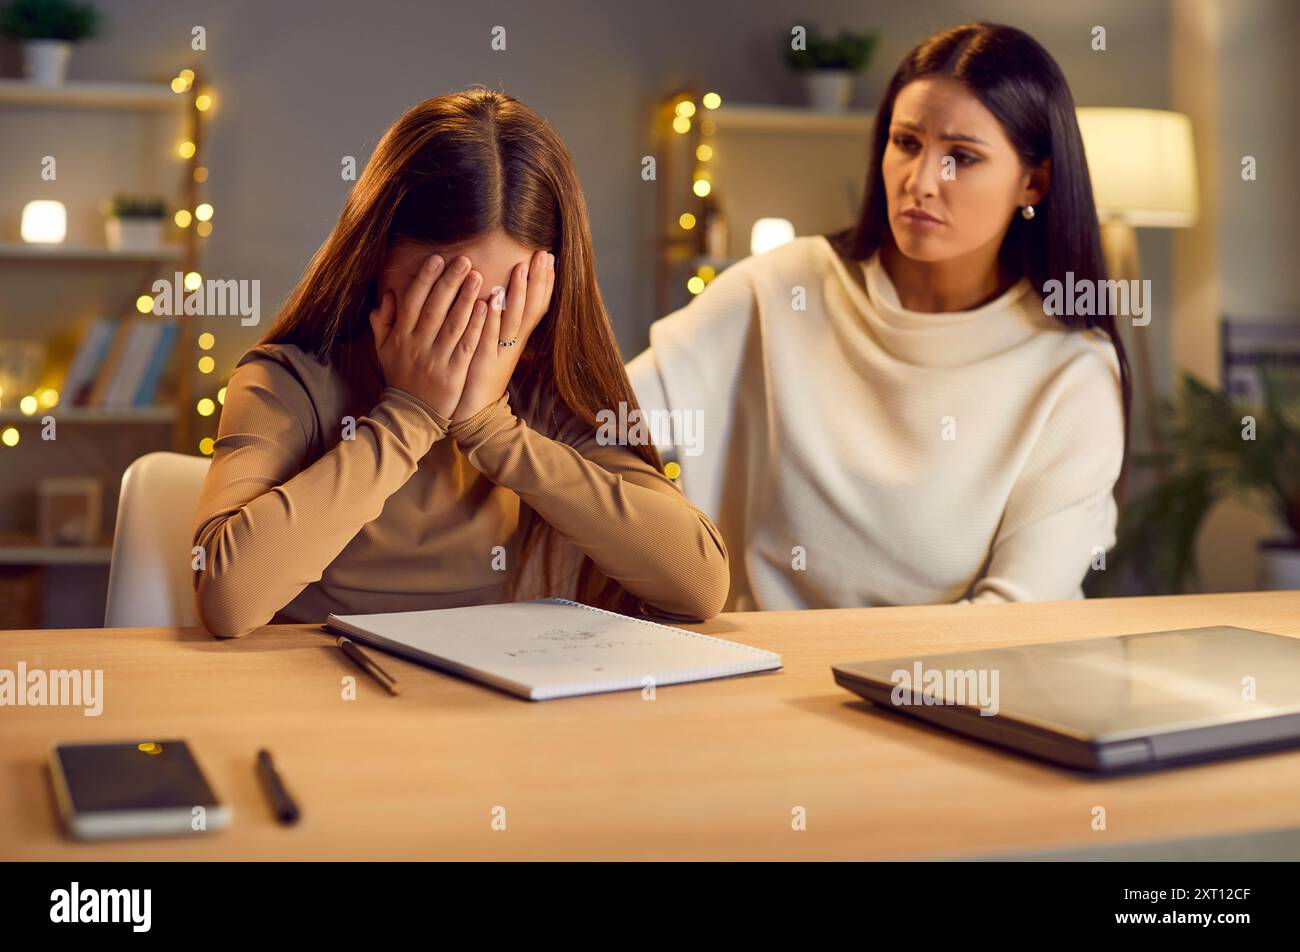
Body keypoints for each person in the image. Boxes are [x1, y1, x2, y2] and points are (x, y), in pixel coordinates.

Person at [628, 23, 1130, 610]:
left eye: (961, 157)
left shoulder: (1072, 372)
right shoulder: (783, 288)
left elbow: (1013, 622)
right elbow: (597, 420)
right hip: (755, 681)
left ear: (1034, 182)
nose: (919, 182)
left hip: (951, 695)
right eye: (908, 143)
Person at [192, 89, 729, 638]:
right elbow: (228, 599)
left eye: (500, 304)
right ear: (376, 263)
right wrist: (409, 415)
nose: (467, 334)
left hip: (487, 698)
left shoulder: (544, 391)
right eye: (443, 298)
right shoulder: (289, 379)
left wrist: (493, 430)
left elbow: (699, 583)